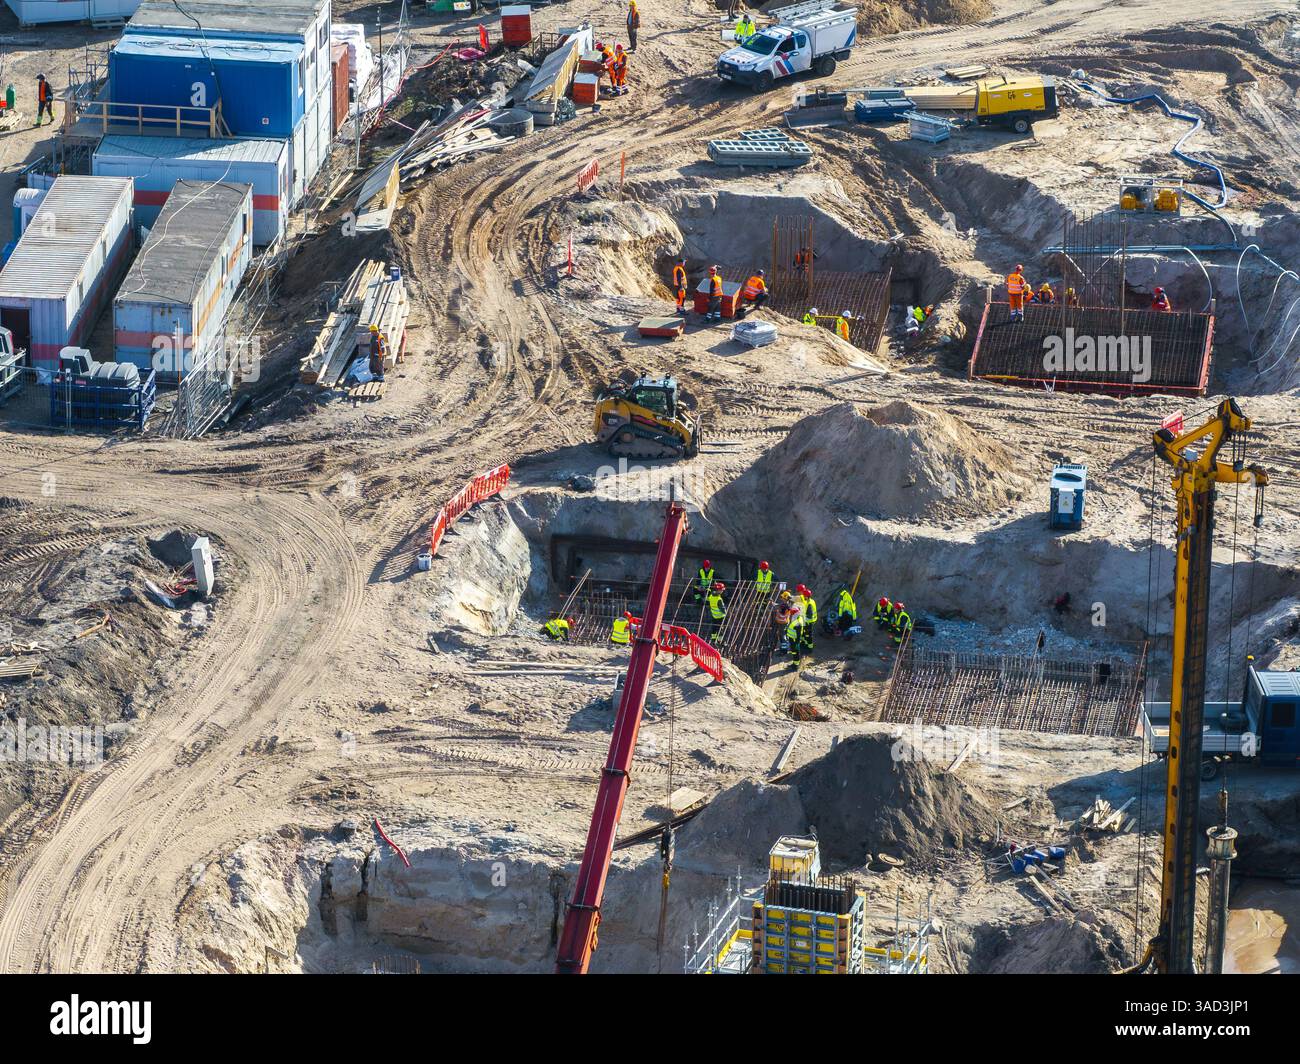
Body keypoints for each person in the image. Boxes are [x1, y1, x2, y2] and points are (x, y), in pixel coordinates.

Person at [706, 581, 727, 647]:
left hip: (714, 616)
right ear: (718, 590)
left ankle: (713, 640)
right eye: (721, 590)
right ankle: (720, 642)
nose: (722, 591)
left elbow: (708, 599)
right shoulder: (719, 599)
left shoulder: (711, 596)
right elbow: (723, 609)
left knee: (714, 628)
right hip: (720, 617)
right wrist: (725, 612)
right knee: (720, 630)